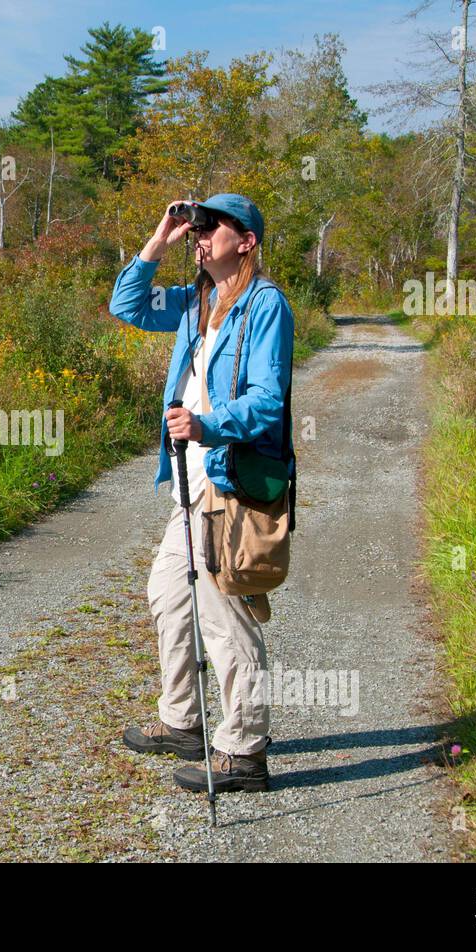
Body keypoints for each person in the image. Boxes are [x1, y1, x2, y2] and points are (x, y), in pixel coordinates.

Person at [107, 194, 295, 794]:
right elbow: (127, 304)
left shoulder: (265, 307)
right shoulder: (197, 303)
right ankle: (185, 721)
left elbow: (267, 404)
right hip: (190, 483)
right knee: (168, 596)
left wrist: (206, 424)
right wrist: (159, 236)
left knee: (225, 619)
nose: (201, 233)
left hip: (230, 480)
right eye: (197, 224)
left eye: (211, 226)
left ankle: (244, 752)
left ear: (245, 241)